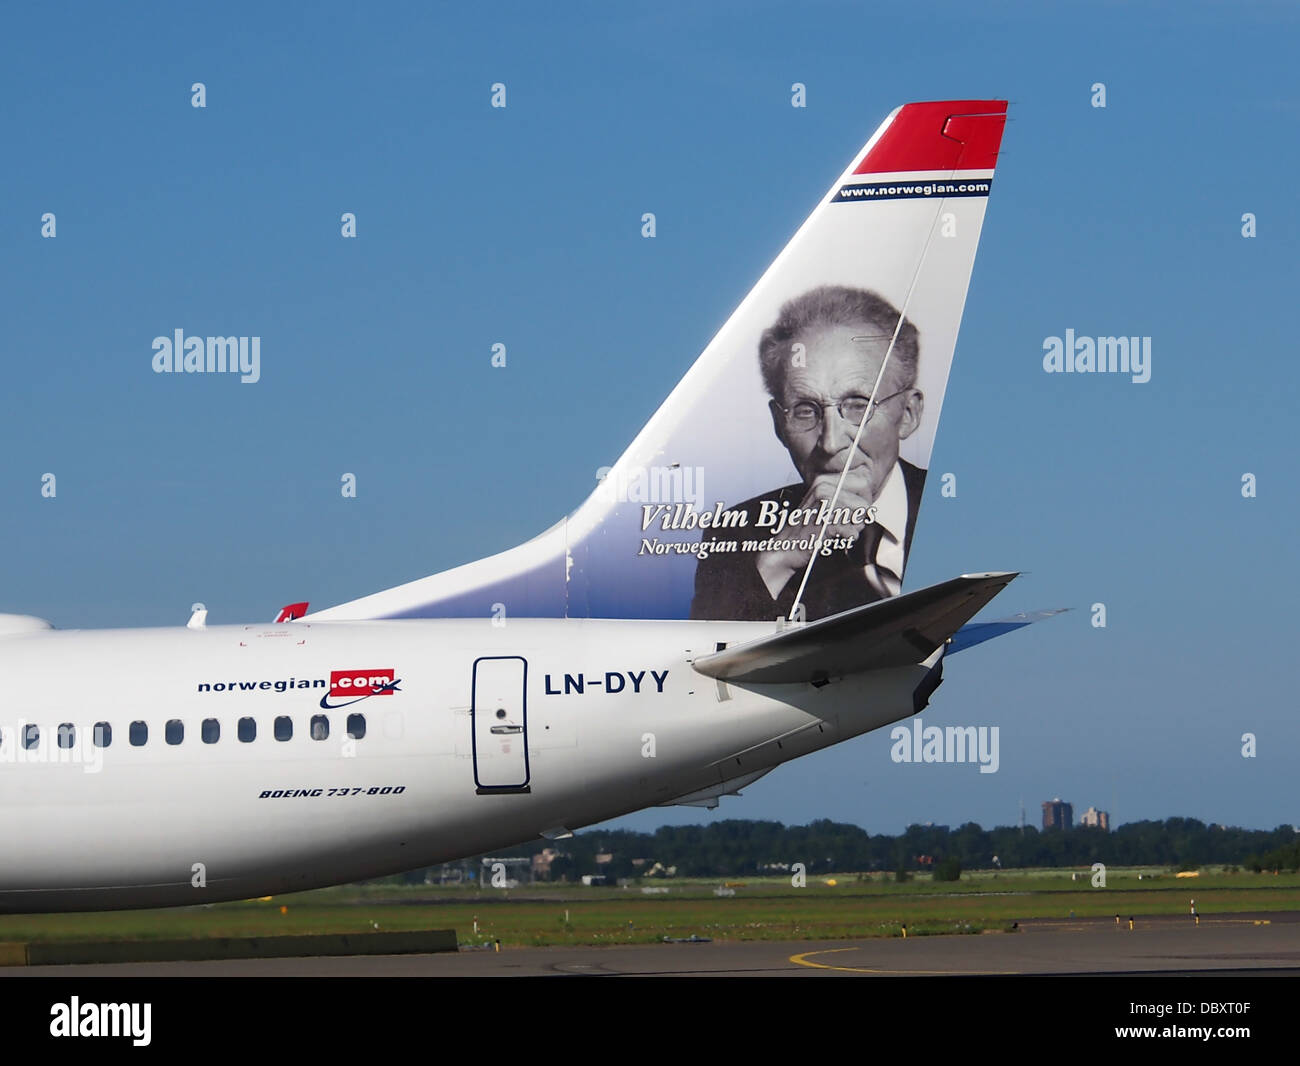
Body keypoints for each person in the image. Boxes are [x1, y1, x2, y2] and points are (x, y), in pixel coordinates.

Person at [691, 285, 926, 621]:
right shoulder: (736, 533)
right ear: (778, 424)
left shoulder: (958, 514)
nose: (831, 443)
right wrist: (777, 560)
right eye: (805, 410)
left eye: (858, 405)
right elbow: (707, 656)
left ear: (908, 414)